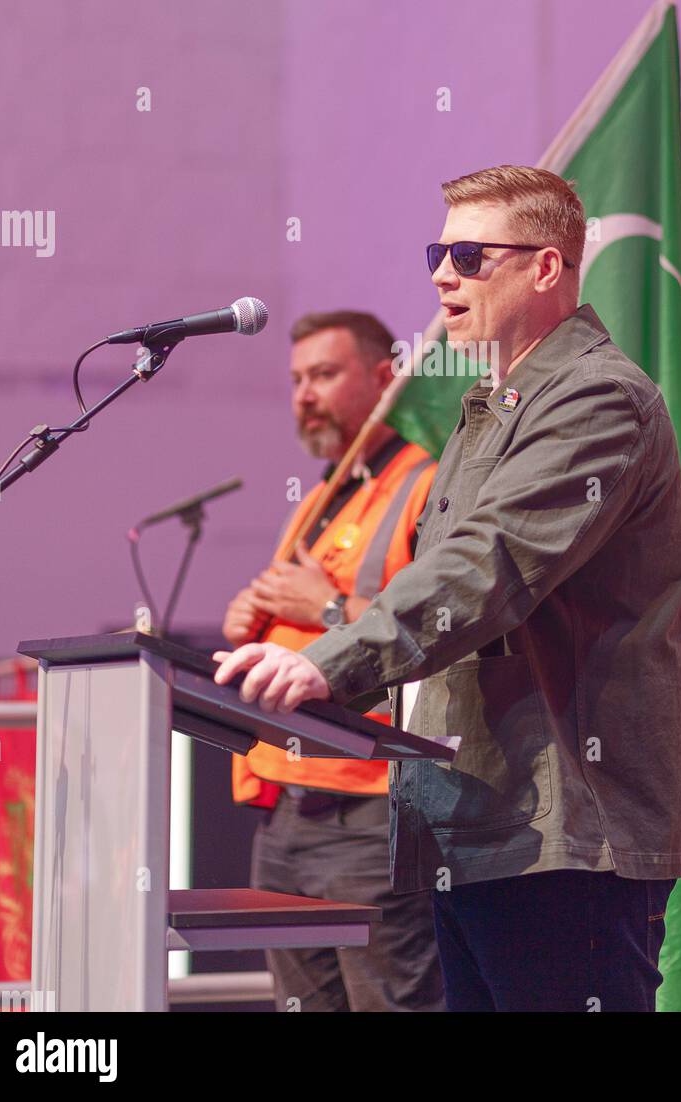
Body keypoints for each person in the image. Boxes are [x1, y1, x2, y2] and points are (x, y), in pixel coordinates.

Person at [215, 165, 681, 1012]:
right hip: (474, 824)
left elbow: (489, 563)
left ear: (545, 267)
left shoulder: (597, 399)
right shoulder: (491, 409)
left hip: (562, 838)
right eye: (439, 252)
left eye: (469, 255)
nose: (441, 276)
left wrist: (331, 657)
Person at [222, 310, 444, 1012]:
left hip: (370, 805)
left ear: (385, 380)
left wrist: (323, 608)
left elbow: (443, 634)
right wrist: (253, 623)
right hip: (287, 805)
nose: (303, 395)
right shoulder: (320, 497)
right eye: (294, 380)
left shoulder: (424, 486)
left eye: (323, 374)